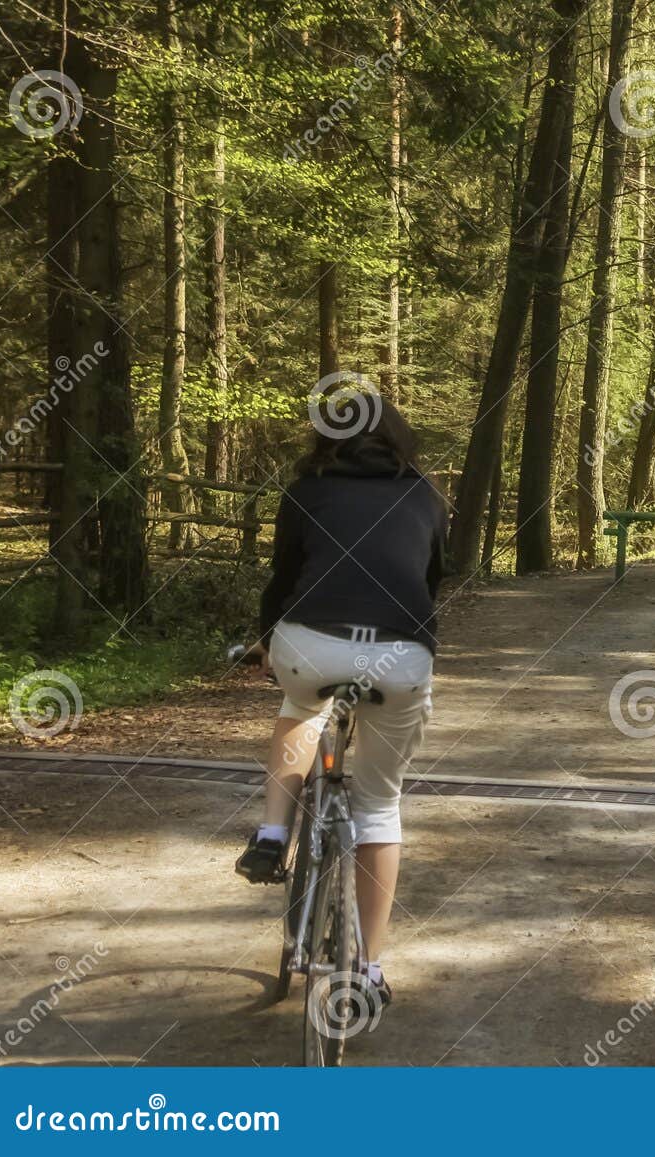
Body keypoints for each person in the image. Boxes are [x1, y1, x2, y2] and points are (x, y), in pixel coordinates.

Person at [235, 396, 447, 1009]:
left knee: (301, 711)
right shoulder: (427, 496)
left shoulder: (306, 491)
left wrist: (265, 641)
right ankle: (369, 971)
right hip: (401, 654)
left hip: (310, 644)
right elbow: (433, 580)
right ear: (401, 441)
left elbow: (283, 579)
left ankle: (273, 833)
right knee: (379, 806)